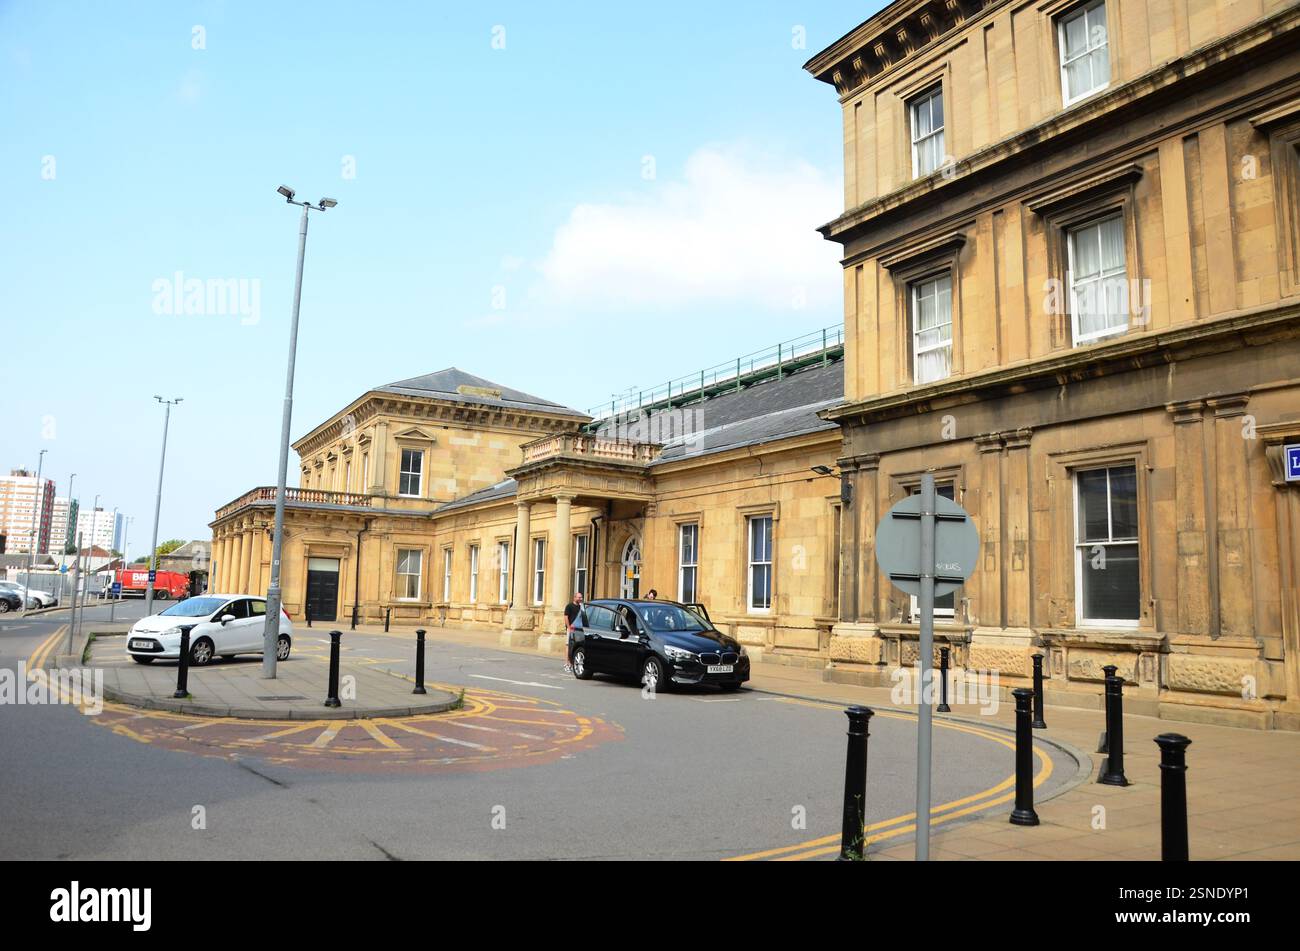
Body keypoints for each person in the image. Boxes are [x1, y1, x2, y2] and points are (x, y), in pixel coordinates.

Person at [563, 592, 584, 673]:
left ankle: (572, 664)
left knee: (575, 647)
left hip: (578, 630)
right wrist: (569, 628)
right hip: (571, 629)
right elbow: (566, 617)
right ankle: (567, 664)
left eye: (581, 597)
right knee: (568, 646)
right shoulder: (569, 606)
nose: (580, 599)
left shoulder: (581, 607)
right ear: (574, 598)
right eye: (579, 597)